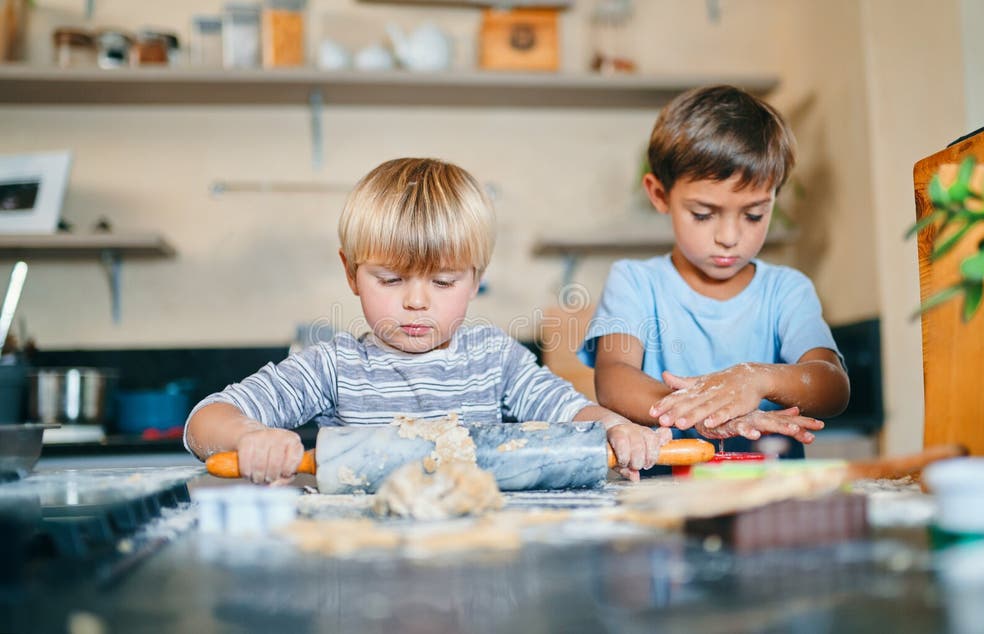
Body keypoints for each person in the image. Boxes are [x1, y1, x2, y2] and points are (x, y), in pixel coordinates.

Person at [185, 157, 670, 484]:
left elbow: (569, 410)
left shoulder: (494, 360)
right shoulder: (333, 367)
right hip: (363, 564)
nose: (417, 302)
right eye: (391, 280)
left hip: (474, 561)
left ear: (476, 278)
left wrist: (614, 427)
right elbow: (203, 422)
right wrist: (251, 437)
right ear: (351, 273)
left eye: (443, 282)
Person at [580, 85, 850, 457]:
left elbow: (833, 386)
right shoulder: (635, 282)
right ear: (659, 195)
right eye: (703, 214)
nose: (729, 237)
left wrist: (756, 379)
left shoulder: (787, 290)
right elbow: (613, 380)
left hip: (769, 498)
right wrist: (706, 410)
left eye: (754, 214)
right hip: (664, 495)